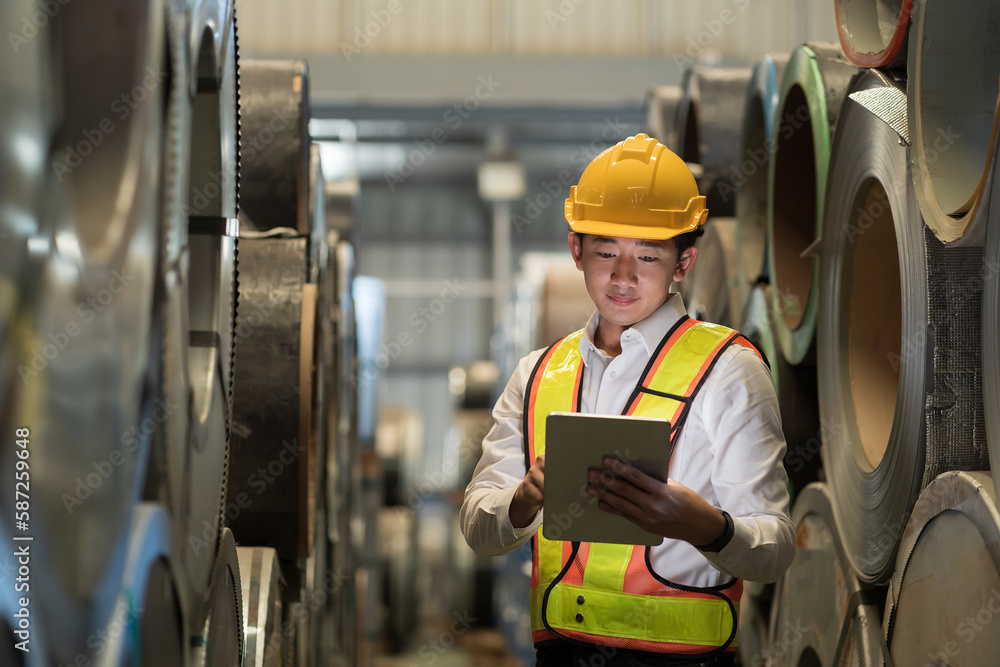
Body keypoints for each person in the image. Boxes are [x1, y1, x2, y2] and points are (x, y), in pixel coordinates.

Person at [460, 133, 794, 667]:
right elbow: (478, 525)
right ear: (576, 251)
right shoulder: (538, 373)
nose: (622, 276)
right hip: (560, 656)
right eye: (606, 251)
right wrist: (523, 500)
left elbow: (775, 547)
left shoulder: (729, 370)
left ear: (684, 261)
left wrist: (705, 525)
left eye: (648, 255)